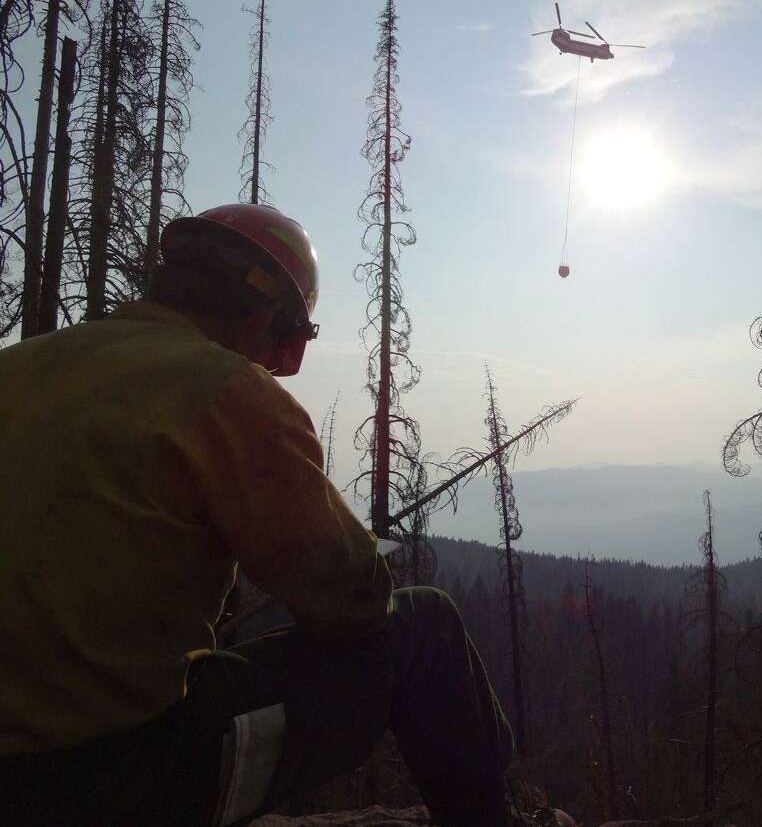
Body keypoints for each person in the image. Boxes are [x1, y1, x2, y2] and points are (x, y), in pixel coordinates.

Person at [0, 204, 516, 826]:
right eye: (285, 338)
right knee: (424, 625)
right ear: (264, 311)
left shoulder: (19, 366)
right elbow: (350, 602)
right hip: (107, 781)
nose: (276, 362)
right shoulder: (226, 389)